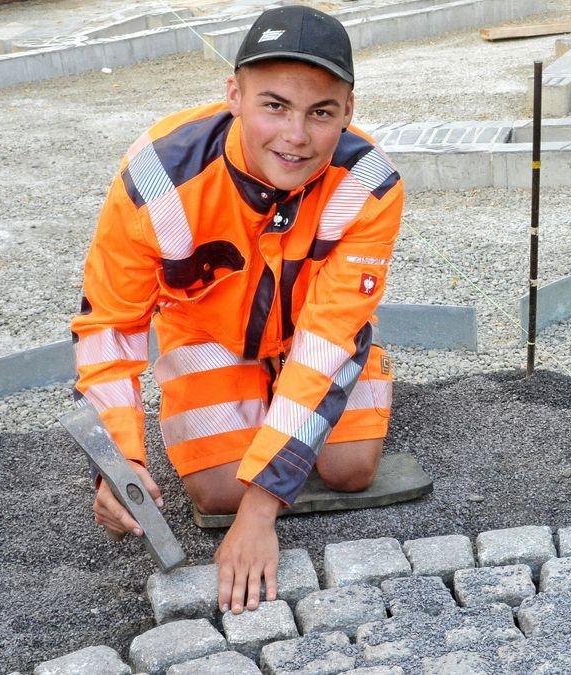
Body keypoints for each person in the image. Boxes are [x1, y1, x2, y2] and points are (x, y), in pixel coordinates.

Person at [70, 6, 402, 615]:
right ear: (234, 95)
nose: (296, 136)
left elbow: (329, 332)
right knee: (219, 490)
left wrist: (262, 510)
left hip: (312, 335)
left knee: (351, 469)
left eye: (320, 112)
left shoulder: (370, 181)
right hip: (207, 333)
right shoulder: (155, 179)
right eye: (274, 105)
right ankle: (270, 413)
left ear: (348, 112)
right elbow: (110, 330)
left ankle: (303, 396)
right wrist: (118, 462)